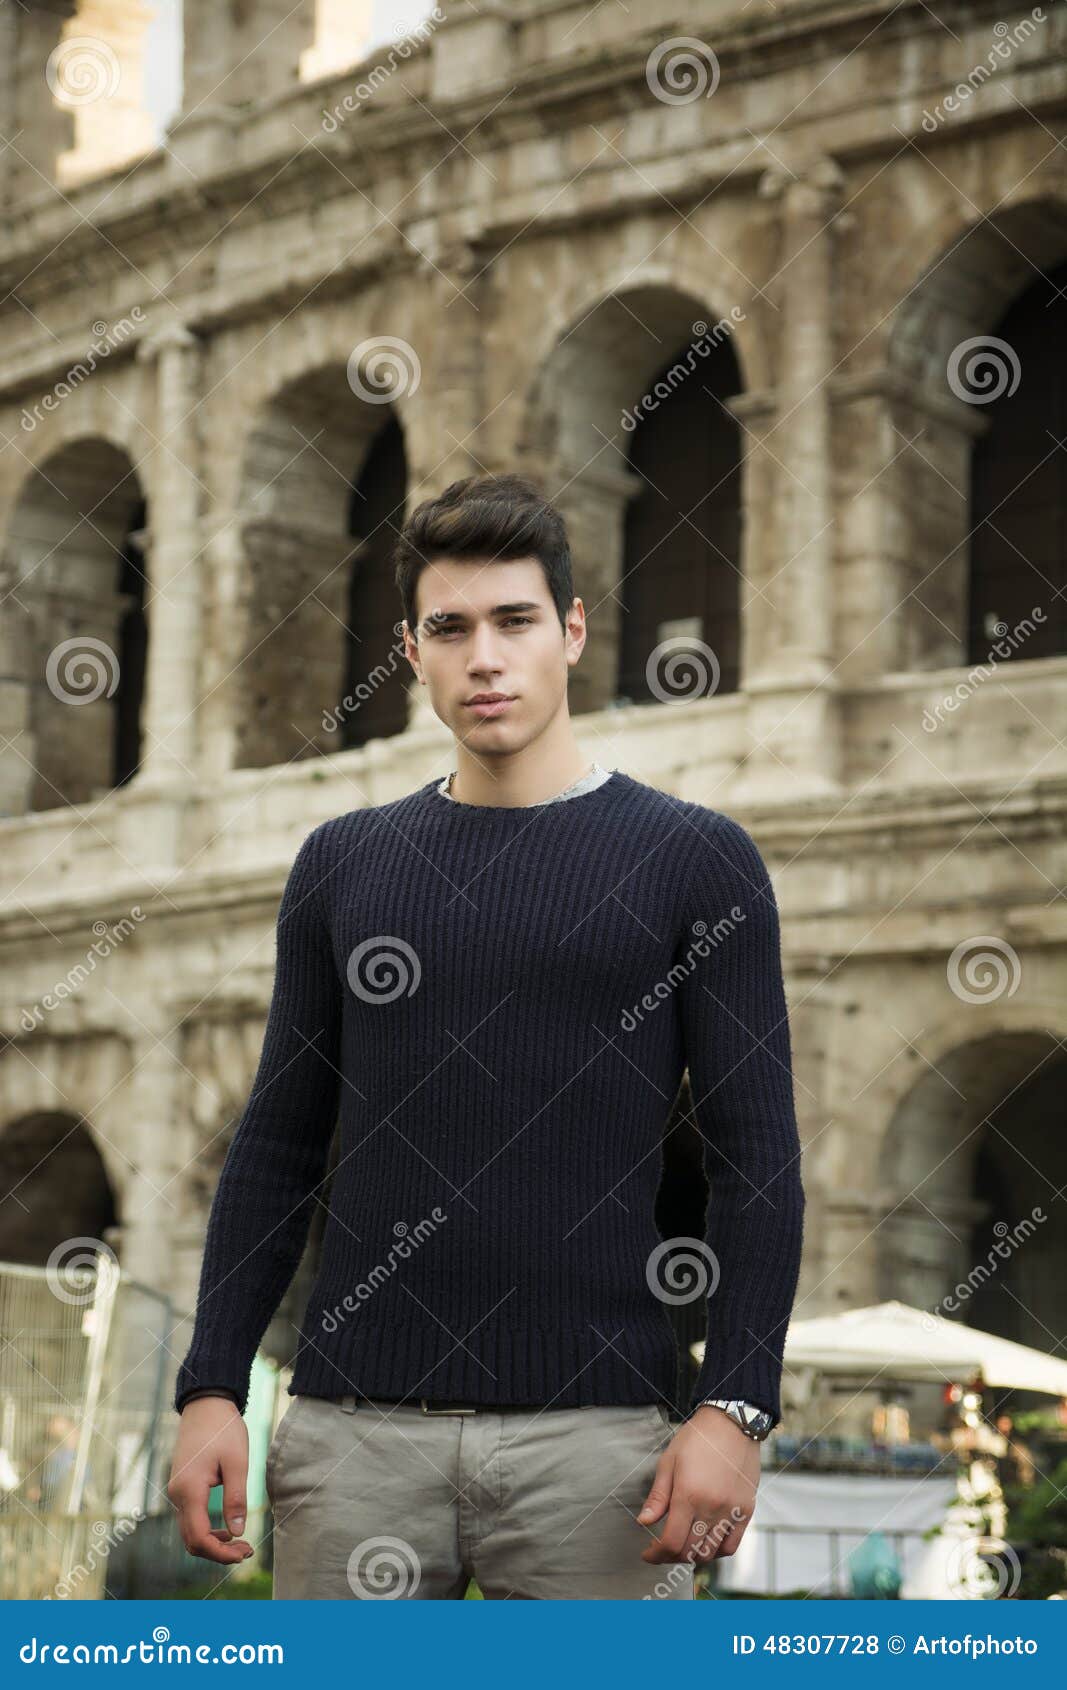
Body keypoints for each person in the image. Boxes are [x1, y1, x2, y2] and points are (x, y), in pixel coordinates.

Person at [168, 473, 806, 1599]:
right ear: (410, 651)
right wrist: (211, 1383)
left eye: (514, 622)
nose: (485, 658)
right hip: (353, 1439)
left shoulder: (695, 860)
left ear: (568, 632)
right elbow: (276, 1141)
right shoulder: (343, 864)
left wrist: (736, 1404)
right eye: (449, 629)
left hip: (604, 1449)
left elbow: (758, 1160)